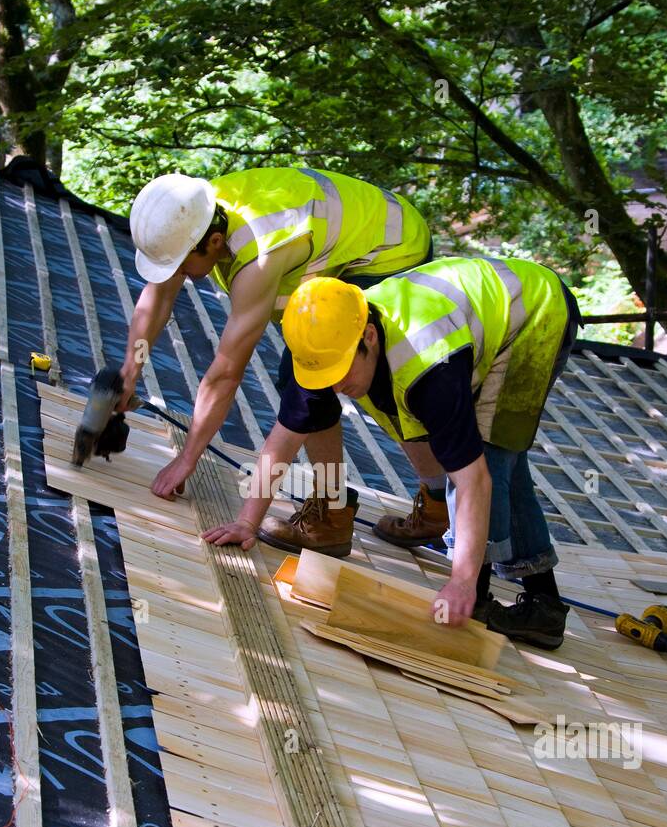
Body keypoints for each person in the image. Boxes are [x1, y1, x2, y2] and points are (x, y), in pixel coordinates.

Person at [202, 253, 582, 650]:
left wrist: (460, 581)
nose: (333, 386)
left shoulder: (429, 366)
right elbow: (282, 439)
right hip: (481, 315)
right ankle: (543, 605)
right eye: (324, 376)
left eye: (340, 372)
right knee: (497, 457)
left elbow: (473, 481)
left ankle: (477, 600)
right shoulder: (322, 345)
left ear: (368, 336)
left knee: (493, 454)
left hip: (534, 312)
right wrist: (247, 522)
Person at [119, 168, 435, 554]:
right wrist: (129, 373)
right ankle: (334, 507)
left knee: (335, 378)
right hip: (347, 241)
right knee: (301, 380)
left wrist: (188, 459)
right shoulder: (193, 217)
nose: (177, 276)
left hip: (391, 252)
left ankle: (425, 503)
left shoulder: (260, 255)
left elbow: (226, 372)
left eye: (181, 266)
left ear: (214, 242)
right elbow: (157, 300)